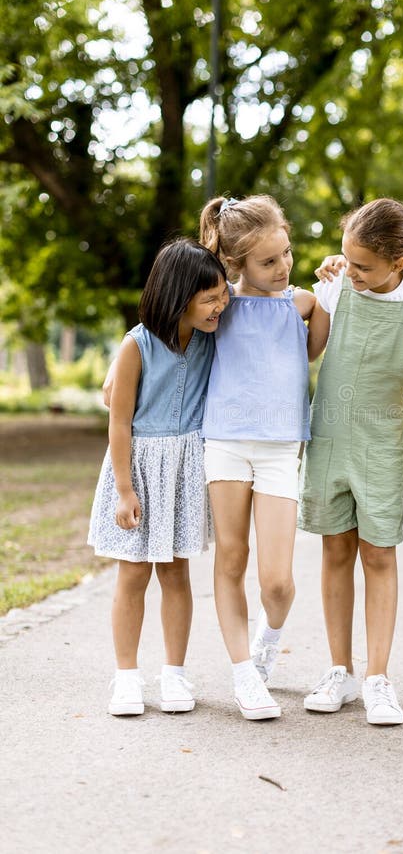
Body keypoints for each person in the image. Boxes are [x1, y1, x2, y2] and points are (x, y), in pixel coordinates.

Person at [298, 198, 403, 725]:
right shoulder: (337, 286)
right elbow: (305, 346)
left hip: (382, 443)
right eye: (347, 260)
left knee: (379, 554)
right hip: (330, 437)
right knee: (335, 549)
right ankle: (338, 668)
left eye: (364, 265)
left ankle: (378, 678)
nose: (353, 272)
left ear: (399, 263)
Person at [88, 238, 229, 716]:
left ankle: (174, 675)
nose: (220, 305)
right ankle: (126, 677)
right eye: (210, 298)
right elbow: (119, 421)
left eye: (222, 294)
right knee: (133, 574)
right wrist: (125, 490)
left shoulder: (213, 336)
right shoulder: (137, 345)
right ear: (177, 296)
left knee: (175, 572)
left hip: (186, 467)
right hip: (141, 468)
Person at [199, 195, 316, 721]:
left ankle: (269, 638)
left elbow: (313, 352)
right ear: (236, 264)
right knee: (230, 558)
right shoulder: (218, 307)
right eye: (269, 261)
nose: (283, 266)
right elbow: (160, 330)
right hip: (224, 441)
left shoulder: (305, 306)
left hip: (279, 450)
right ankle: (244, 673)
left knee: (277, 581)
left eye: (286, 253)